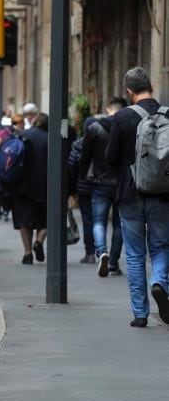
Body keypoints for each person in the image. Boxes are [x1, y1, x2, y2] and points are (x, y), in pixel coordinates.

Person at [105, 67, 169, 328]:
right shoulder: (166, 114)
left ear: (128, 91)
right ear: (151, 86)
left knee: (133, 254)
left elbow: (110, 157)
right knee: (162, 246)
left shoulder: (121, 118)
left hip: (129, 193)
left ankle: (140, 314)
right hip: (162, 193)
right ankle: (160, 282)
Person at [81, 97, 127, 277]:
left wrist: (83, 176)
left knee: (98, 221)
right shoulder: (126, 127)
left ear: (108, 108)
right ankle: (114, 263)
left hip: (100, 182)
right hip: (122, 183)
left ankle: (102, 251)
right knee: (119, 224)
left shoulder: (94, 128)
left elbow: (85, 157)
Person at [12, 112, 49, 264]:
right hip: (45, 185)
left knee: (24, 220)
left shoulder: (22, 135)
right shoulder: (51, 138)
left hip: (22, 186)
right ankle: (39, 241)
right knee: (46, 219)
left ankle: (27, 253)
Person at [68, 115, 97, 265]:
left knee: (88, 220)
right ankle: (103, 250)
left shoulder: (78, 144)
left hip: (83, 188)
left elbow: (71, 167)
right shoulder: (105, 141)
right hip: (102, 186)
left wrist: (71, 190)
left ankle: (90, 253)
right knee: (100, 220)